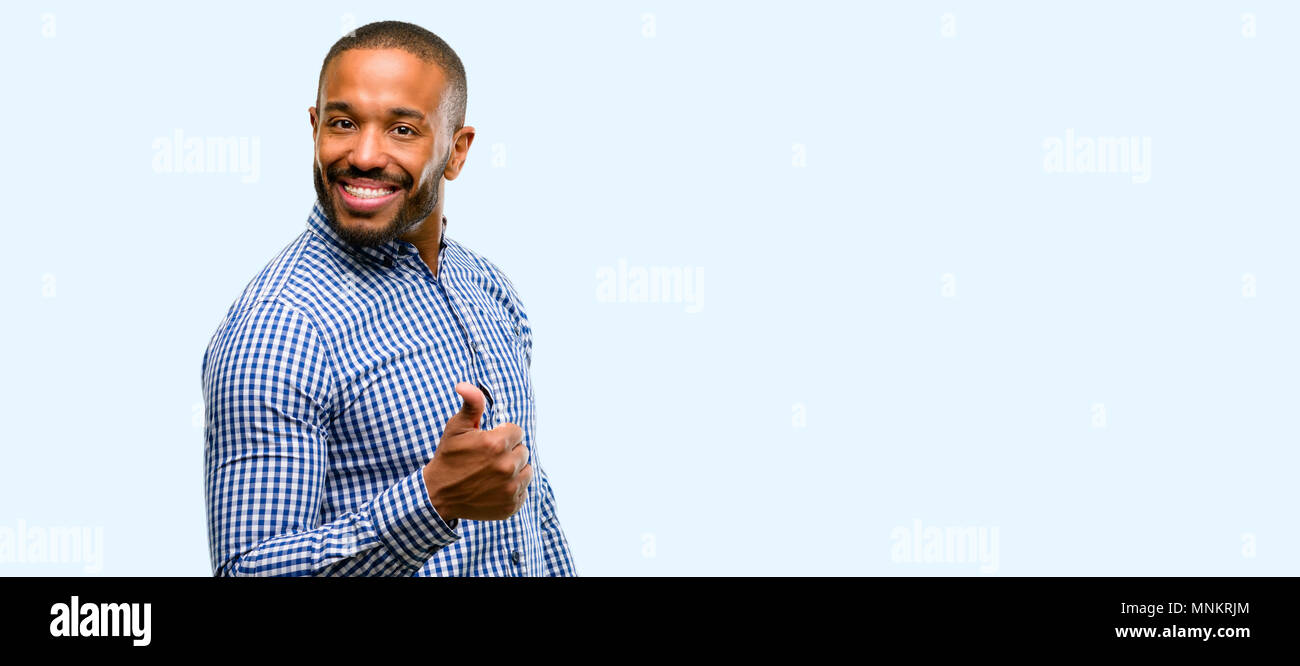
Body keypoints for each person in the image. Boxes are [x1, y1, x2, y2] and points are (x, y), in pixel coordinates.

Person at [201, 20, 576, 576]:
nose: (366, 154)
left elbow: (530, 508)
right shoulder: (279, 329)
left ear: (457, 150)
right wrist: (433, 502)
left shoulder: (488, 287)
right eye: (344, 123)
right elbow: (246, 571)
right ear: (314, 128)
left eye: (403, 129)